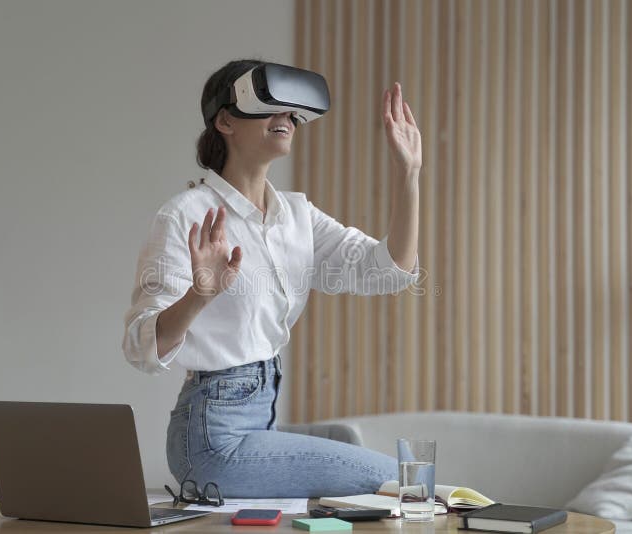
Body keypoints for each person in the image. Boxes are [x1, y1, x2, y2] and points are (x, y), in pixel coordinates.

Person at [122, 59, 421, 498]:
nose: (286, 118)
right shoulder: (185, 215)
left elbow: (386, 272)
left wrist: (409, 174)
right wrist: (199, 295)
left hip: (261, 417)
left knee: (363, 457)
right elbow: (140, 348)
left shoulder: (298, 217)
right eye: (270, 107)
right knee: (410, 479)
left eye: (293, 112)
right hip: (210, 442)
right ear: (225, 120)